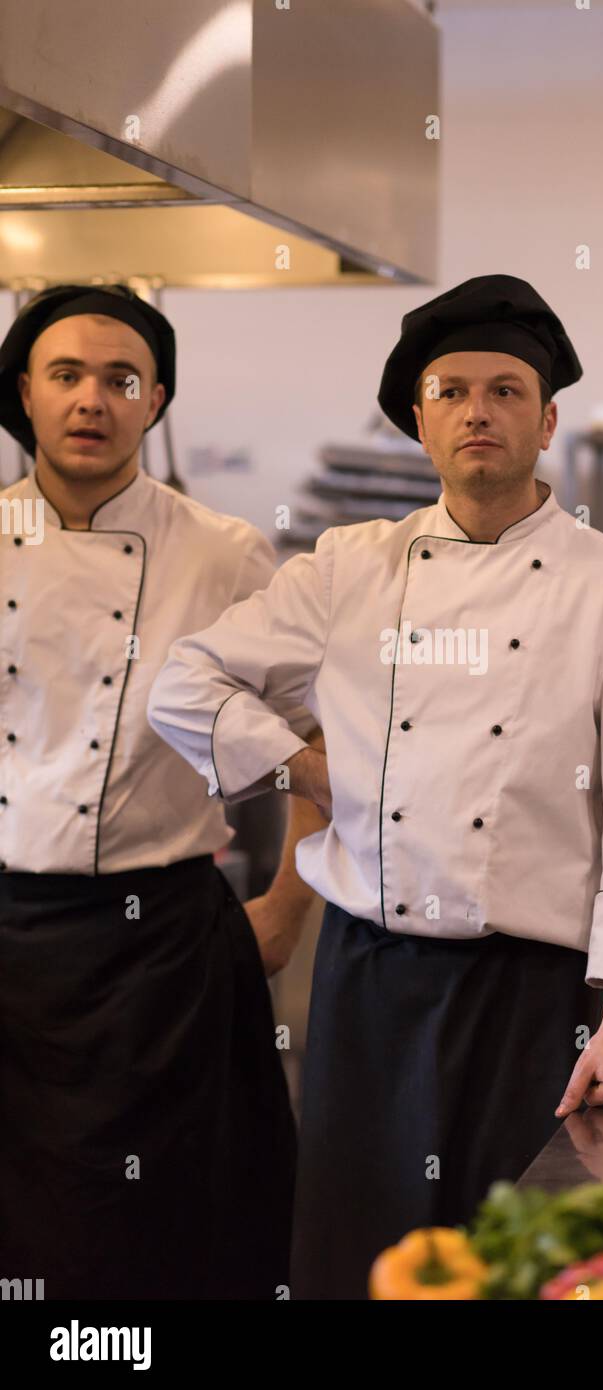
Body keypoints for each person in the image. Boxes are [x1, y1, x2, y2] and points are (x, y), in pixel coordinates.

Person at [147, 273, 603, 1300]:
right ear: (421, 420)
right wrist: (302, 764)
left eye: (503, 391)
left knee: (522, 1263)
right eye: (452, 391)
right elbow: (183, 686)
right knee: (363, 1258)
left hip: (538, 995)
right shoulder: (346, 566)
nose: (477, 411)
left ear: (545, 421)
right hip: (370, 983)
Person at [0, 283, 320, 1299]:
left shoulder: (221, 551)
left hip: (164, 946)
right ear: (25, 394)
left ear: (156, 399)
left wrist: (288, 900)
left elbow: (315, 734)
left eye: (120, 378)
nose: (92, 398)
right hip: (7, 939)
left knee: (180, 1231)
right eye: (66, 375)